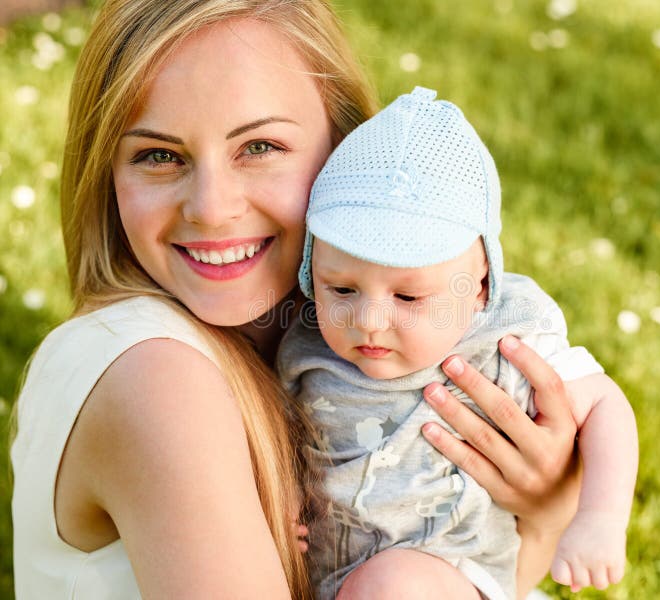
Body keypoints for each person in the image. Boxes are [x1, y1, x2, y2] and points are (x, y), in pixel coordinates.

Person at [11, 1, 592, 599]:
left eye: (259, 146)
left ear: (347, 151)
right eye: (159, 155)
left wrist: (542, 516)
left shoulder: (344, 346)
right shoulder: (156, 378)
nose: (211, 208)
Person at [278, 87, 638, 599]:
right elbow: (275, 434)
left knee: (393, 587)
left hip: (449, 574)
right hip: (326, 571)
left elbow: (605, 404)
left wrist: (600, 517)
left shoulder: (502, 343)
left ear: (481, 286)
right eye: (341, 289)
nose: (369, 321)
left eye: (408, 296)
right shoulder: (307, 346)